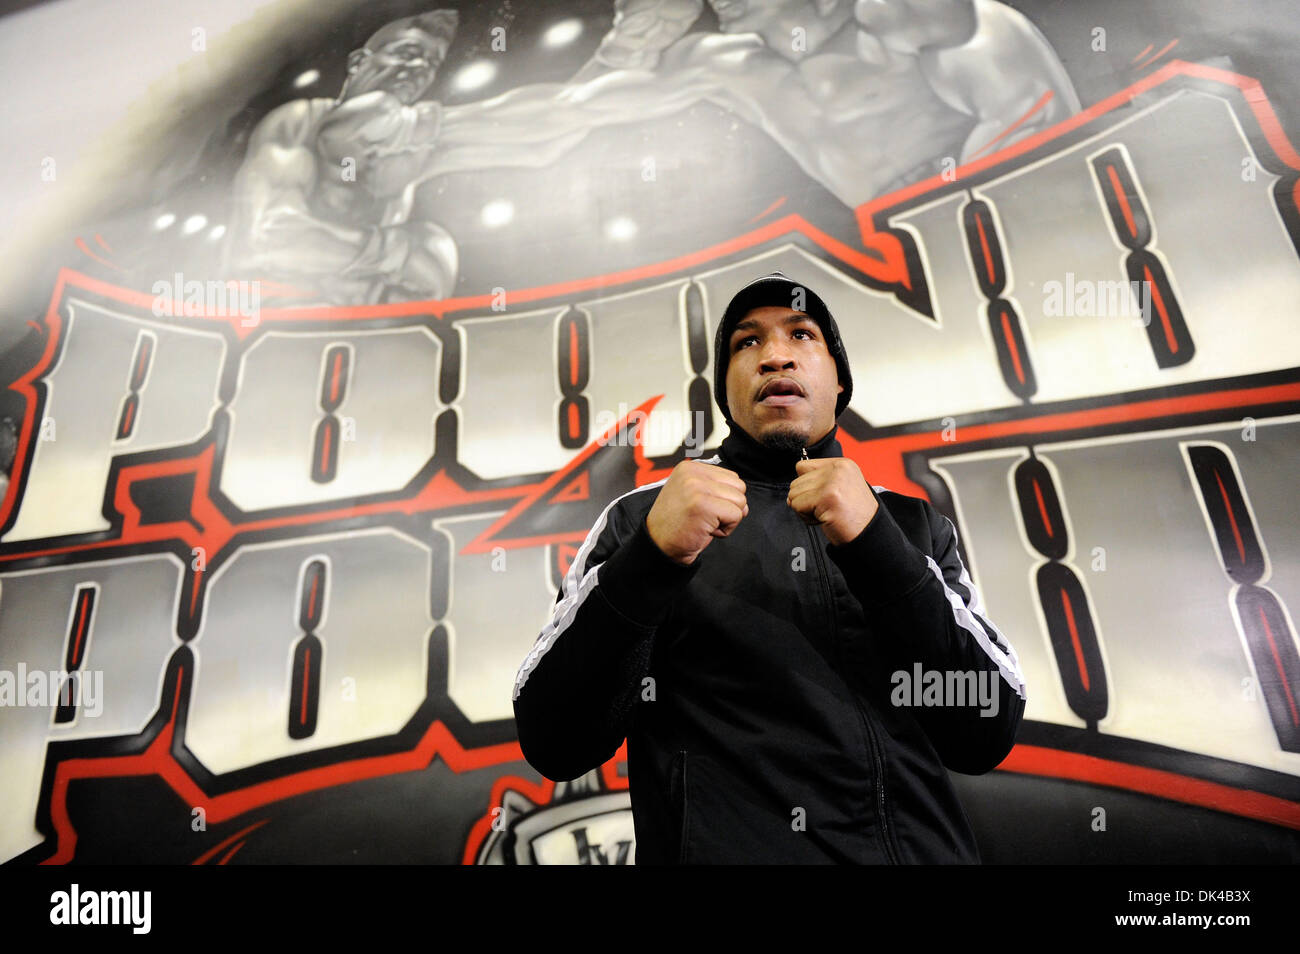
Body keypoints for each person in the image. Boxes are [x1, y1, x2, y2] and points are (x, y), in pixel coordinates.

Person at [512, 271, 1027, 863]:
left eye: (802, 335)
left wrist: (876, 545)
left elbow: (984, 731)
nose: (775, 356)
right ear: (725, 390)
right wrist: (653, 559)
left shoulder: (911, 526)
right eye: (746, 342)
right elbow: (555, 741)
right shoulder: (642, 520)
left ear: (839, 382)